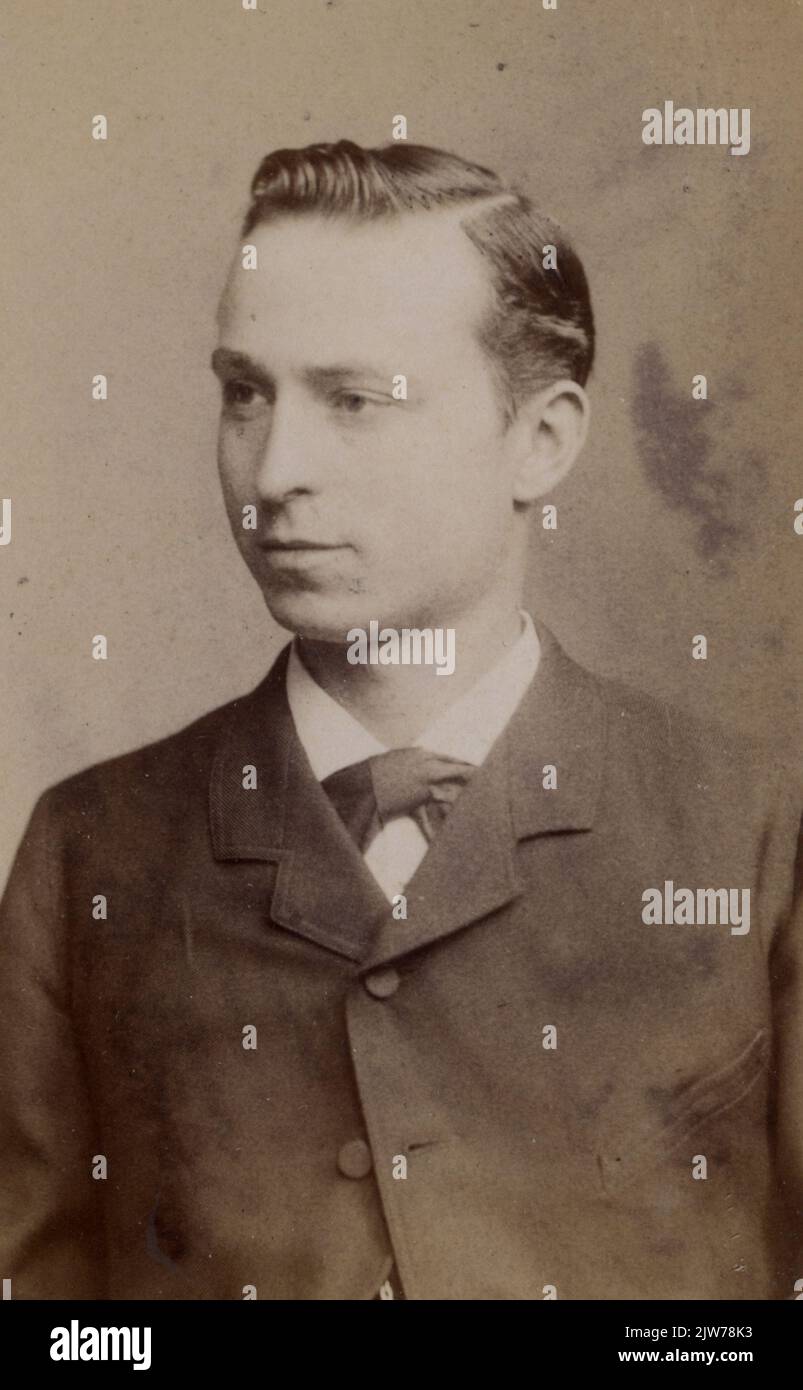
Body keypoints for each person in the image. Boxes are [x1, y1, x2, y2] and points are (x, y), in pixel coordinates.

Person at [0, 141, 800, 1301]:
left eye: (354, 400)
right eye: (244, 392)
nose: (273, 469)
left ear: (542, 439)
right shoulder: (90, 852)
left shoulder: (752, 832)